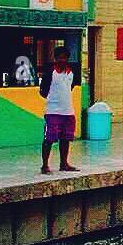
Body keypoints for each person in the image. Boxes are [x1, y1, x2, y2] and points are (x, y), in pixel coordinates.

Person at [39, 46, 81, 174]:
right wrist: (53, 99)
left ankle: (64, 163)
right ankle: (45, 165)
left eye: (64, 57)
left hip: (68, 112)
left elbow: (71, 87)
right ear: (56, 58)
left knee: (66, 138)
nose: (62, 60)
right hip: (53, 112)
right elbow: (43, 91)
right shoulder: (50, 73)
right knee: (49, 139)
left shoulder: (72, 73)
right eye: (60, 57)